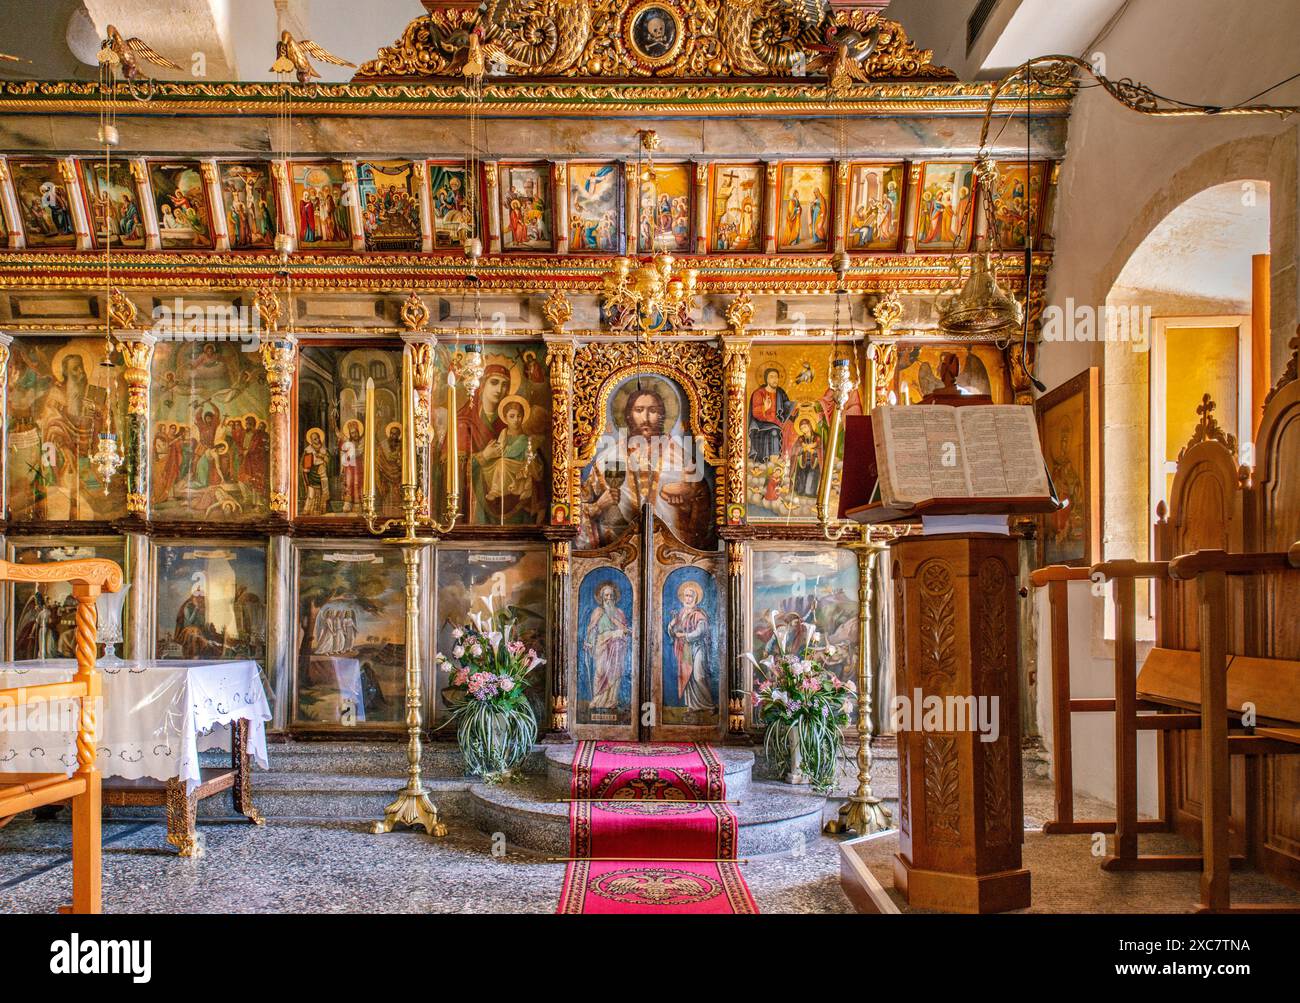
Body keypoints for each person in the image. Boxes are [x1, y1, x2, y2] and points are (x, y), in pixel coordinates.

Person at [668, 580, 715, 711]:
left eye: (690, 596)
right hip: (685, 649)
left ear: (695, 598)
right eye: (686, 596)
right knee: (687, 676)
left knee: (698, 676)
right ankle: (693, 706)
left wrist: (684, 636)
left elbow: (700, 632)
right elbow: (673, 631)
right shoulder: (681, 613)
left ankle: (709, 705)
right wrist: (671, 625)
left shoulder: (699, 614)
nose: (687, 599)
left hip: (698, 648)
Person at [584, 582, 629, 710]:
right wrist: (589, 642)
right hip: (602, 645)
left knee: (614, 675)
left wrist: (617, 627)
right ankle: (598, 700)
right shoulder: (598, 611)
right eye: (606, 595)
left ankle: (611, 701)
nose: (609, 598)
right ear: (602, 597)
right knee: (600, 671)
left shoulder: (619, 612)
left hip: (616, 649)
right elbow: (592, 629)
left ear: (615, 597)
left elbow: (625, 630)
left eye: (611, 595)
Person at [749, 367, 795, 463]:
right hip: (761, 425)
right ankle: (774, 464)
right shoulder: (759, 393)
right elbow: (755, 414)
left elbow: (787, 409)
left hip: (779, 423)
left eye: (776, 377)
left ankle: (788, 459)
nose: (775, 379)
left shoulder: (781, 393)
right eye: (771, 377)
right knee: (774, 432)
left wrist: (796, 408)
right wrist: (764, 408)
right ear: (766, 379)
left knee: (791, 430)